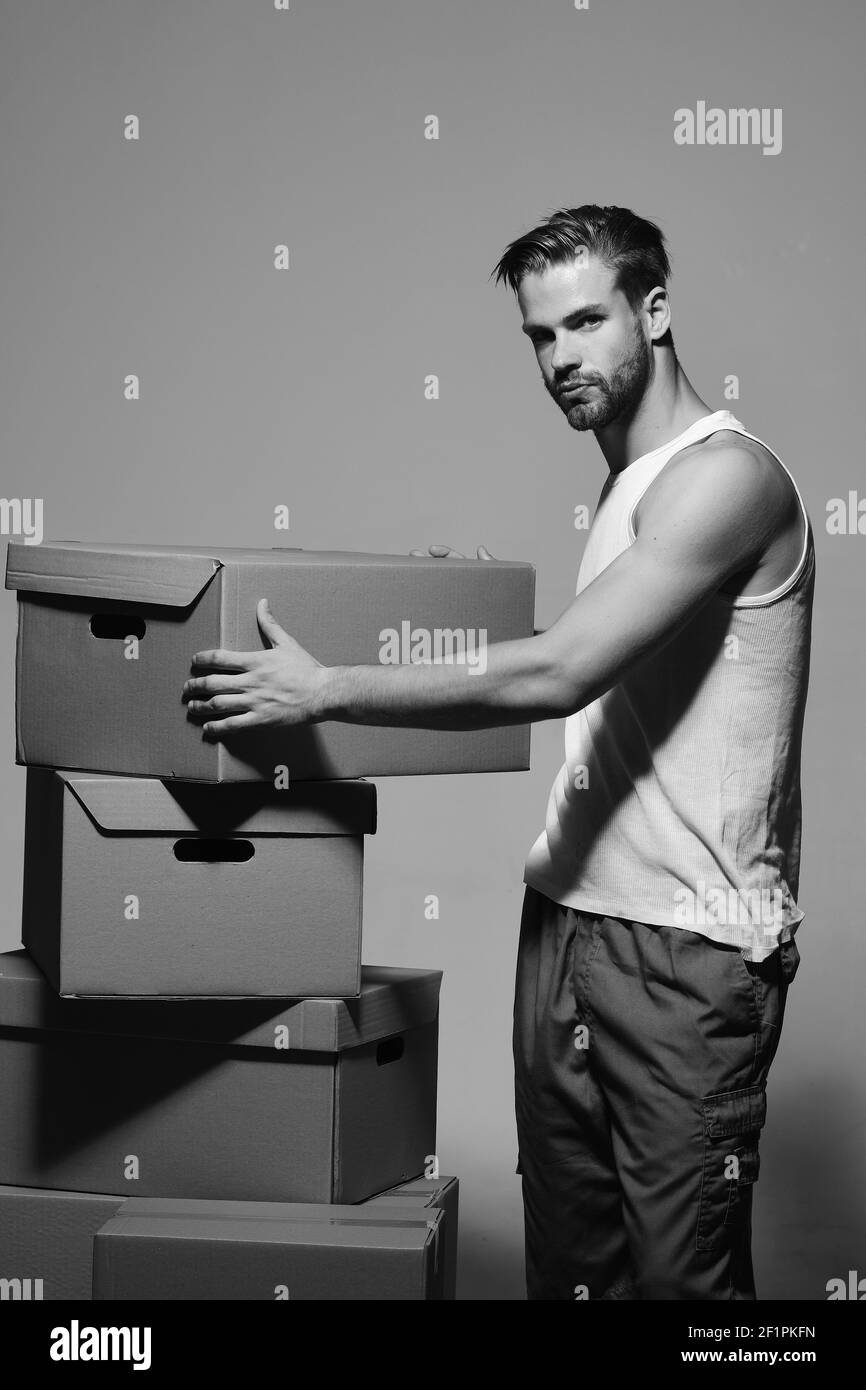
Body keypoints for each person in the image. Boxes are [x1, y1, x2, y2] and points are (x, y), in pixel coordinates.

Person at [181, 204, 814, 1300]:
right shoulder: (624, 480)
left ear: (653, 311)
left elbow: (559, 669)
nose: (559, 358)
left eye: (583, 323)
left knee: (685, 1292)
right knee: (572, 1273)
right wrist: (441, 607)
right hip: (565, 924)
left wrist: (326, 687)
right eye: (538, 336)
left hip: (685, 954)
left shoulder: (727, 479)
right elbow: (578, 667)